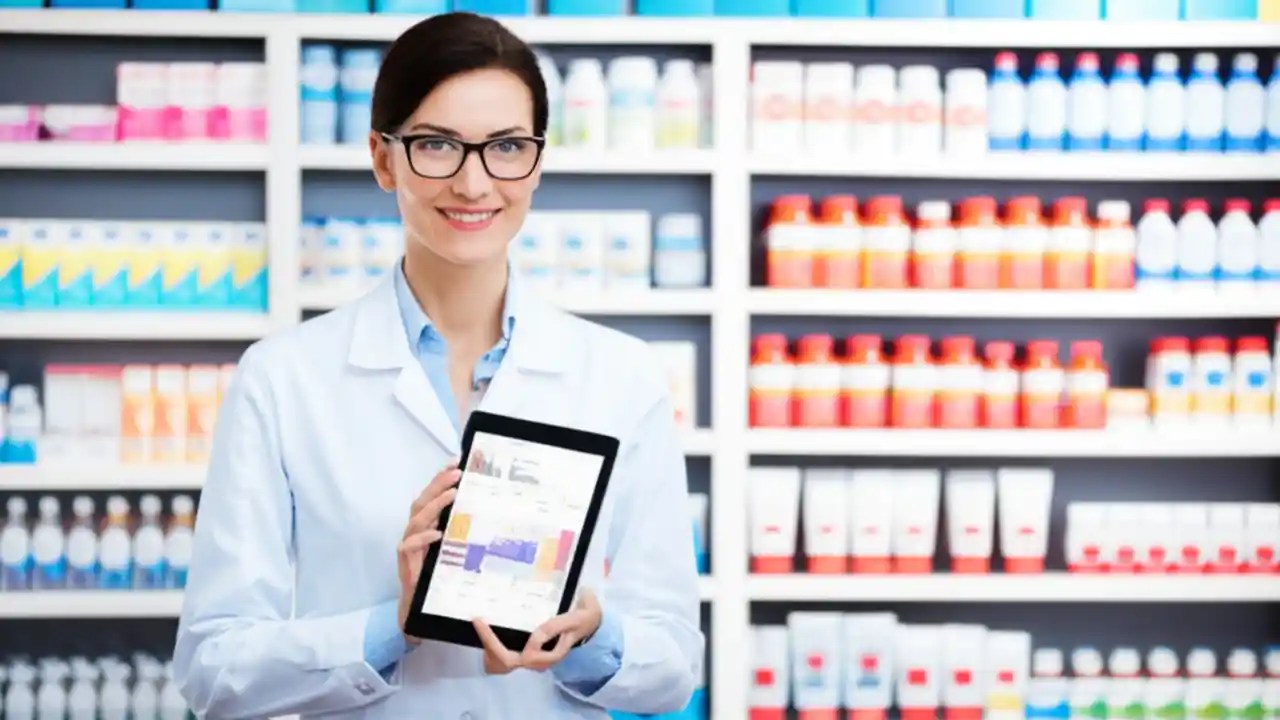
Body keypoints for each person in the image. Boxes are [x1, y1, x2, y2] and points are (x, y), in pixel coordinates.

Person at [172, 12, 704, 719]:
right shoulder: (282, 377)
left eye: (507, 147)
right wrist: (394, 626)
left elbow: (673, 668)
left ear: (537, 162)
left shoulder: (621, 377)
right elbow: (212, 670)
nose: (475, 182)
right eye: (437, 145)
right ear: (383, 157)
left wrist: (592, 634)